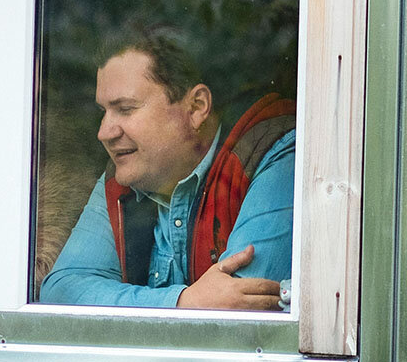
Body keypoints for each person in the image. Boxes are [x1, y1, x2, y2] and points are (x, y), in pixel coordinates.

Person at [39, 31, 296, 310]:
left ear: (197, 107)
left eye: (125, 109)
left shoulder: (273, 154)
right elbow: (61, 291)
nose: (103, 132)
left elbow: (240, 318)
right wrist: (182, 303)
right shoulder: (126, 173)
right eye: (103, 111)